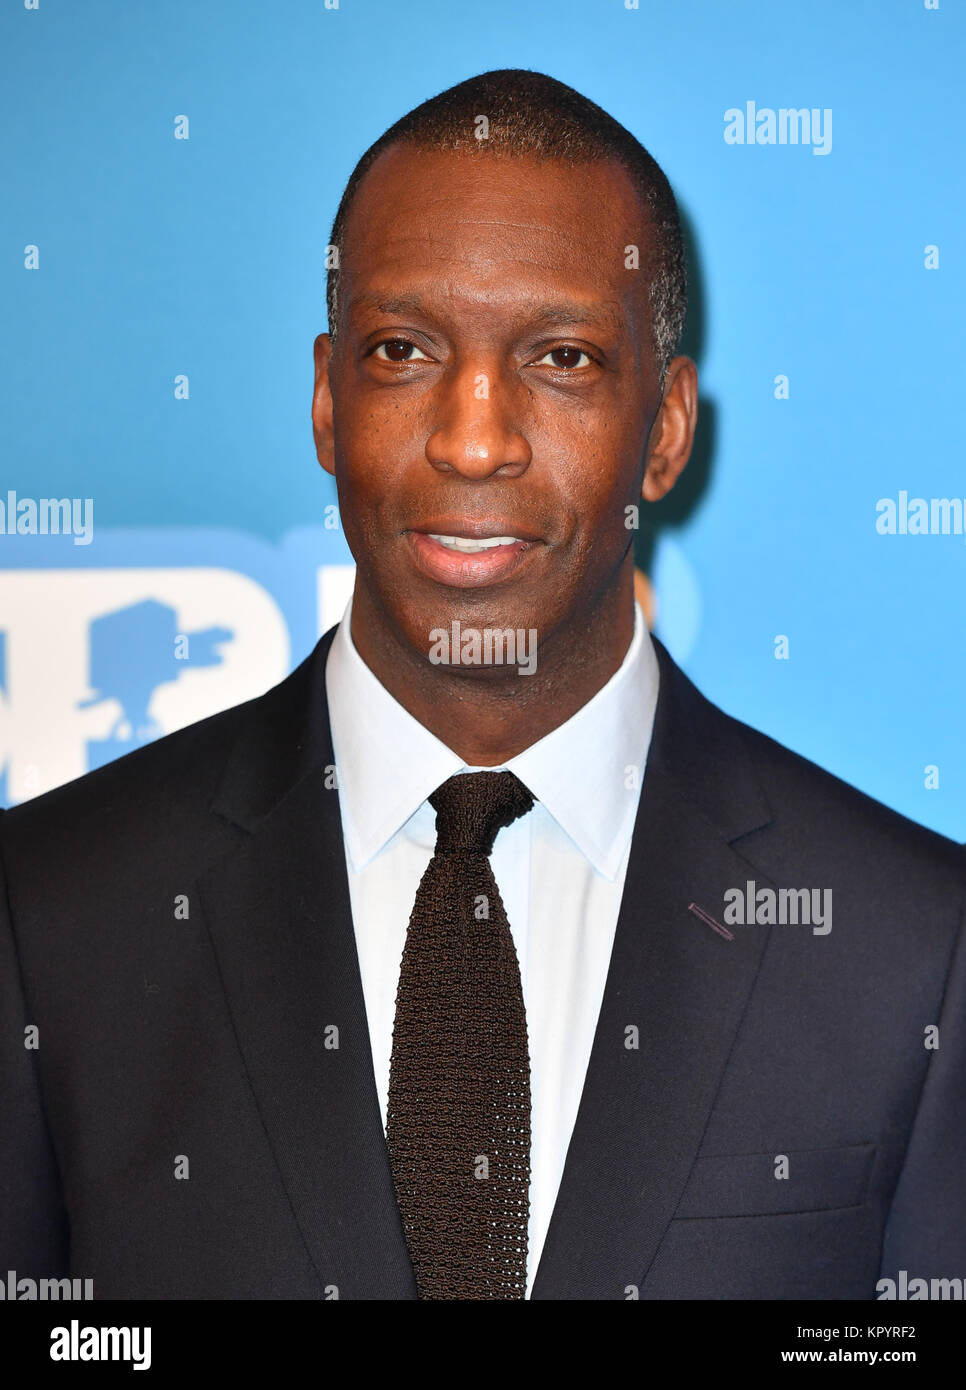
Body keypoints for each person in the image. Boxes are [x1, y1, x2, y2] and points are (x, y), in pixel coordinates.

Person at [1, 69, 963, 1302]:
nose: (472, 436)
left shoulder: (911, 950)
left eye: (561, 358)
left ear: (665, 430)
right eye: (402, 351)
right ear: (325, 399)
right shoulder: (56, 917)